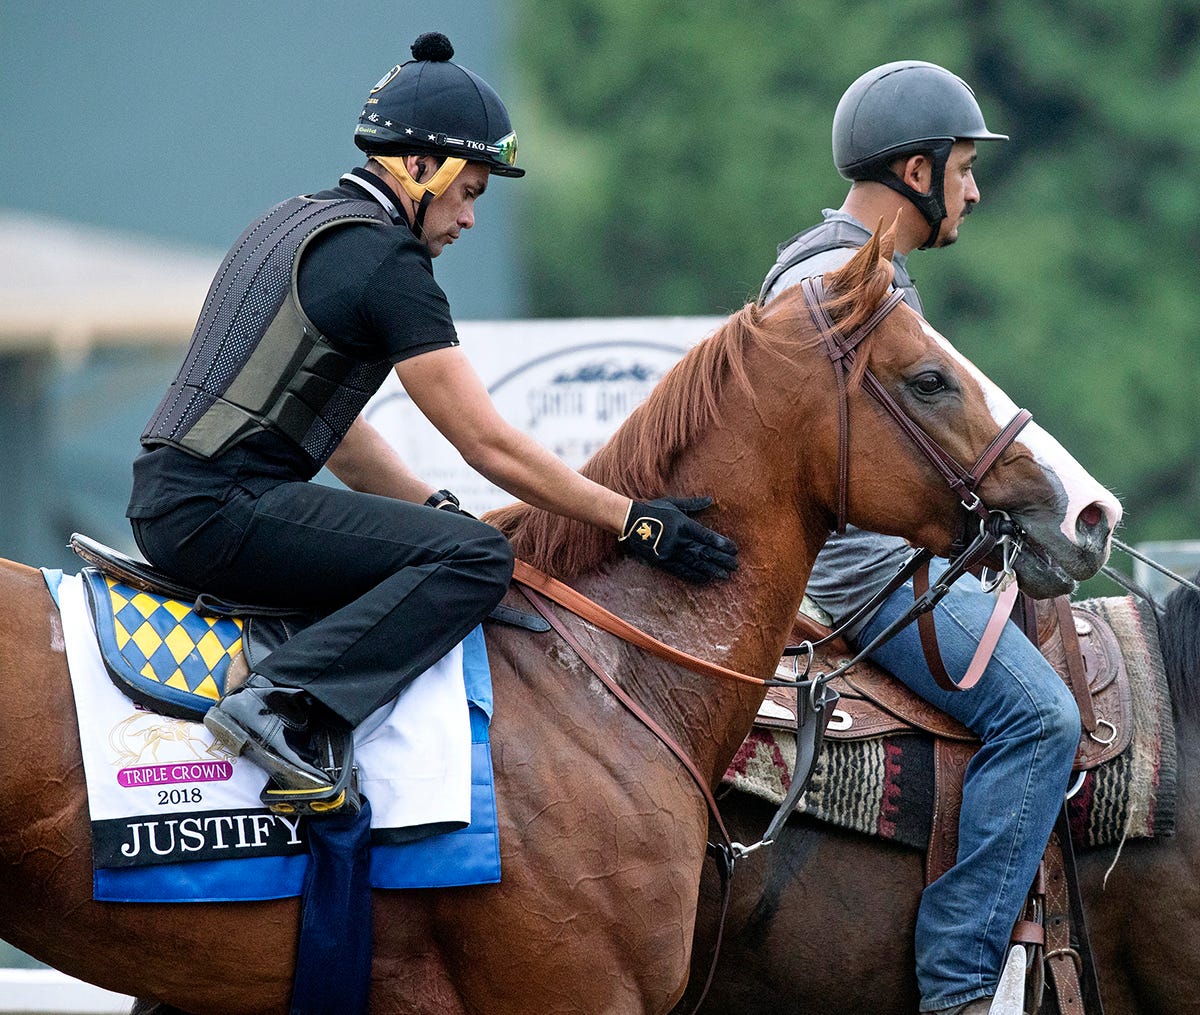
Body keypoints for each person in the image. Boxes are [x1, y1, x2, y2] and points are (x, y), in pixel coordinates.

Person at [127, 32, 737, 814]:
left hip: (170, 500)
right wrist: (631, 520)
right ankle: (281, 702)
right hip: (222, 510)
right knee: (477, 560)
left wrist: (426, 509)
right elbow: (485, 441)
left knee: (451, 540)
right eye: (471, 191)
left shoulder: (293, 219)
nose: (471, 219)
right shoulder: (389, 262)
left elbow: (338, 435)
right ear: (420, 167)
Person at [760, 61, 1079, 1015]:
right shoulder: (848, 284)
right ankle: (960, 984)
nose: (974, 190)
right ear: (914, 170)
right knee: (1045, 717)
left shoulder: (842, 267)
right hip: (863, 574)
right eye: (965, 168)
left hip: (876, 555)